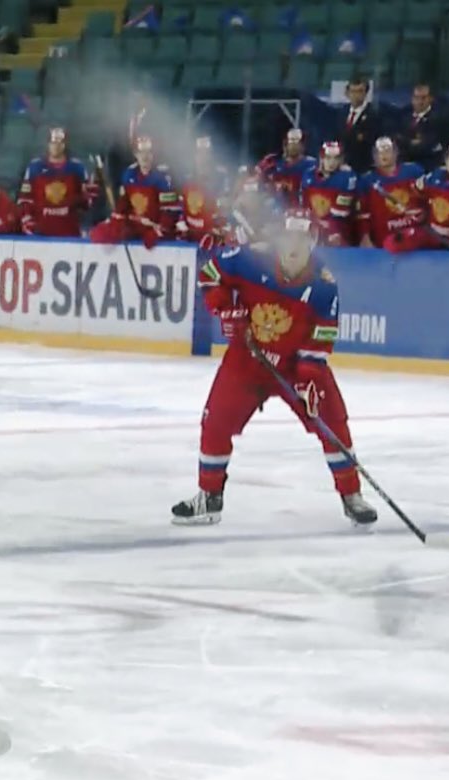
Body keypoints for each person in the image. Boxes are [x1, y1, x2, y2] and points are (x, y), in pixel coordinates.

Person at [175, 210, 376, 527]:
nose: (293, 244)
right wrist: (225, 308)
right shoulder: (248, 259)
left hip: (296, 365)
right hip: (248, 358)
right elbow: (209, 274)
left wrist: (308, 379)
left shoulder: (324, 285)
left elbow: (322, 336)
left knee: (333, 422)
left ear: (312, 241)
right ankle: (209, 497)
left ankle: (351, 496)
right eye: (288, 236)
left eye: (302, 237)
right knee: (215, 421)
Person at [90, 136, 177, 247]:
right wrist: (116, 221)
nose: (144, 157)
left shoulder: (163, 177)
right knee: (100, 234)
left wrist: (159, 232)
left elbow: (170, 211)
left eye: (148, 153)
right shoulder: (130, 174)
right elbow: (124, 203)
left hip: (153, 228)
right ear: (136, 155)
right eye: (141, 153)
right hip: (135, 226)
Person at [17, 127, 94, 237]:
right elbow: (24, 199)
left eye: (60, 143)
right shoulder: (35, 167)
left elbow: (86, 203)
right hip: (40, 232)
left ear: (65, 145)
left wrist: (90, 196)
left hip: (70, 233)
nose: (56, 146)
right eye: (53, 142)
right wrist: (27, 221)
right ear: (48, 144)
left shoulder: (77, 168)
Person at [356, 136, 426, 249]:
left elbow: (427, 199)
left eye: (387, 151)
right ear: (374, 156)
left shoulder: (414, 171)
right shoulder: (367, 181)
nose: (384, 155)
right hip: (383, 243)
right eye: (380, 152)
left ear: (396, 152)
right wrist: (365, 237)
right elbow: (363, 214)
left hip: (415, 238)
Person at [299, 141, 359, 247]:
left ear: (341, 160)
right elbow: (304, 207)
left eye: (335, 158)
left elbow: (339, 217)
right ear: (321, 158)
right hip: (312, 230)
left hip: (337, 233)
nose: (331, 163)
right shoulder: (308, 175)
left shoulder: (347, 178)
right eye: (328, 158)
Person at [177, 136, 230, 246]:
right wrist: (182, 226)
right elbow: (181, 207)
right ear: (194, 156)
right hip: (191, 236)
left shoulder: (221, 176)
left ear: (211, 156)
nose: (203, 157)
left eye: (207, 153)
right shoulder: (186, 177)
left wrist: (217, 230)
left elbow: (224, 208)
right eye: (200, 153)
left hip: (213, 237)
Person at [397, 83, 449, 171]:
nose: (419, 101)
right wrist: (410, 142)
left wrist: (405, 141)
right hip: (403, 165)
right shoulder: (403, 114)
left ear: (431, 99)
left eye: (423, 98)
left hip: (428, 166)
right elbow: (396, 139)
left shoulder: (439, 118)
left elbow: (426, 147)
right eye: (416, 97)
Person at [336, 78, 382, 173]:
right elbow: (337, 136)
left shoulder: (373, 114)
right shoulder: (342, 112)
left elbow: (369, 140)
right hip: (341, 165)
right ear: (347, 93)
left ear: (366, 93)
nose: (356, 95)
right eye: (353, 91)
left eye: (360, 91)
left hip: (362, 167)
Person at [258, 128, 316, 200]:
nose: (293, 145)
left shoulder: (311, 165)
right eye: (290, 141)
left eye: (296, 142)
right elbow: (259, 182)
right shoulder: (271, 162)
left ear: (302, 145)